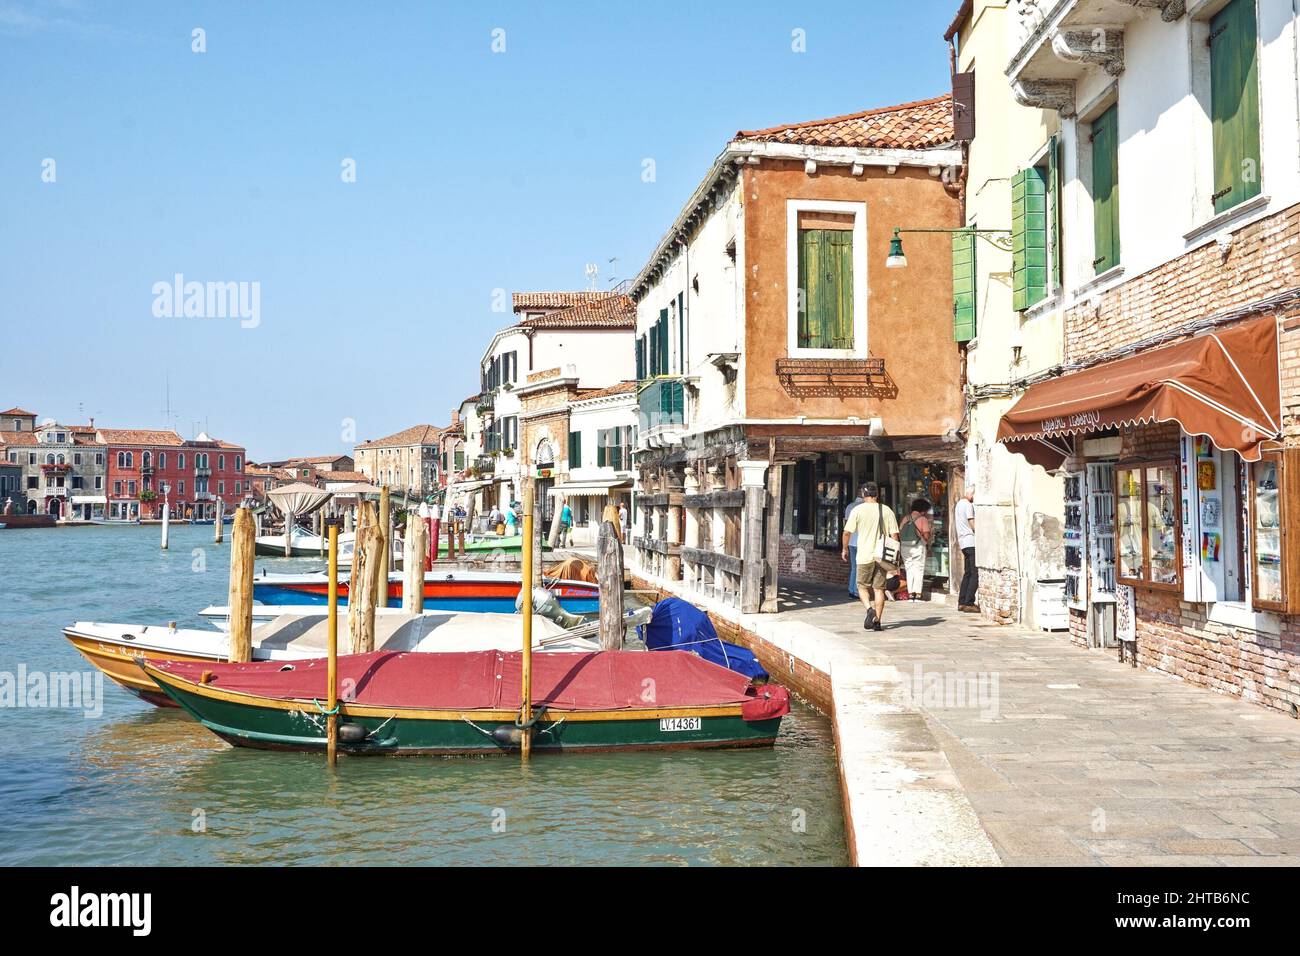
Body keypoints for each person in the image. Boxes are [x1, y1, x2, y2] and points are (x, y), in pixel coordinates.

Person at [840, 482, 900, 631]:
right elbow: (895, 536)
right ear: (877, 495)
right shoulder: (886, 510)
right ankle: (877, 621)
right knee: (879, 589)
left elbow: (847, 532)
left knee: (862, 587)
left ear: (863, 494)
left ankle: (869, 609)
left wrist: (844, 548)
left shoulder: (857, 510)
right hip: (882, 556)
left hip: (864, 555)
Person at [899, 498, 934, 601]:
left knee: (909, 569)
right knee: (918, 569)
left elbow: (901, 531)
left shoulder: (906, 518)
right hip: (918, 546)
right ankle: (917, 594)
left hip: (905, 547)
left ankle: (910, 594)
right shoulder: (923, 519)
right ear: (923, 510)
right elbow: (926, 535)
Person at [956, 489, 978, 612]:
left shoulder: (959, 504)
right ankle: (969, 602)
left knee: (968, 572)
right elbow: (971, 522)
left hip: (963, 542)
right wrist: (979, 533)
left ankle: (962, 601)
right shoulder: (968, 505)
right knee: (975, 573)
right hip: (971, 541)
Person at [844, 489, 865, 597]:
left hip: (851, 541)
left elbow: (846, 526)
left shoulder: (849, 506)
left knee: (854, 567)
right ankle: (857, 591)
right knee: (861, 567)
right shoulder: (865, 507)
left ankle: (851, 589)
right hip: (863, 541)